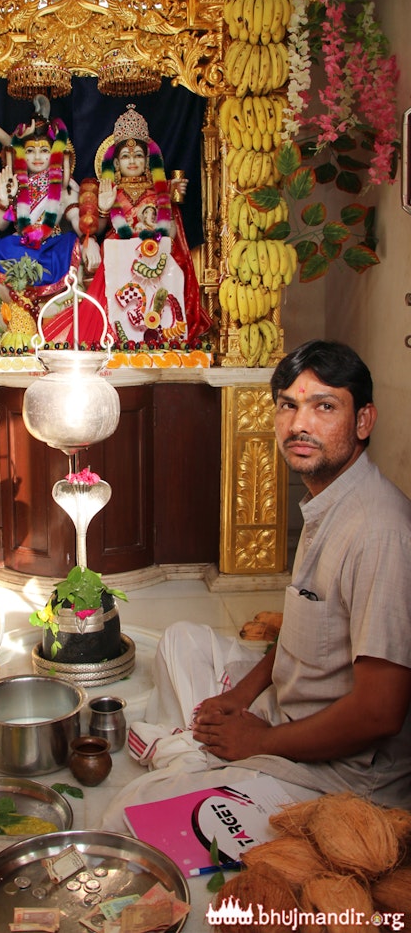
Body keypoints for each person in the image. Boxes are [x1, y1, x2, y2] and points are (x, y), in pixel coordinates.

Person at [102, 340, 411, 831]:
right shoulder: (329, 500)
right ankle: (203, 751)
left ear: (363, 421)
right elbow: (306, 632)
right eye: (288, 406)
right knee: (181, 641)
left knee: (128, 815)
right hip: (285, 712)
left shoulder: (378, 532)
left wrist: (259, 742)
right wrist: (240, 696)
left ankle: (200, 757)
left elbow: (378, 714)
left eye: (324, 406)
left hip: (339, 776)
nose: (300, 424)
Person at [42, 104, 211, 347]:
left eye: (138, 155)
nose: (132, 161)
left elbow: (172, 235)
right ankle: (118, 336)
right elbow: (96, 230)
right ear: (116, 164)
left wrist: (169, 210)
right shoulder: (109, 189)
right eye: (125, 156)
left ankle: (164, 336)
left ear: (148, 160)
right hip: (119, 259)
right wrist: (103, 207)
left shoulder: (160, 192)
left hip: (156, 260)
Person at [0, 95, 100, 347]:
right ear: (20, 156)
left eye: (44, 150)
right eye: (30, 150)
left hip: (53, 245)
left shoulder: (63, 187)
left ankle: (61, 328)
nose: (37, 156)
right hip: (21, 244)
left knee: (73, 250)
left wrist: (90, 239)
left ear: (56, 155)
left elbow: (75, 217)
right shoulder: (16, 184)